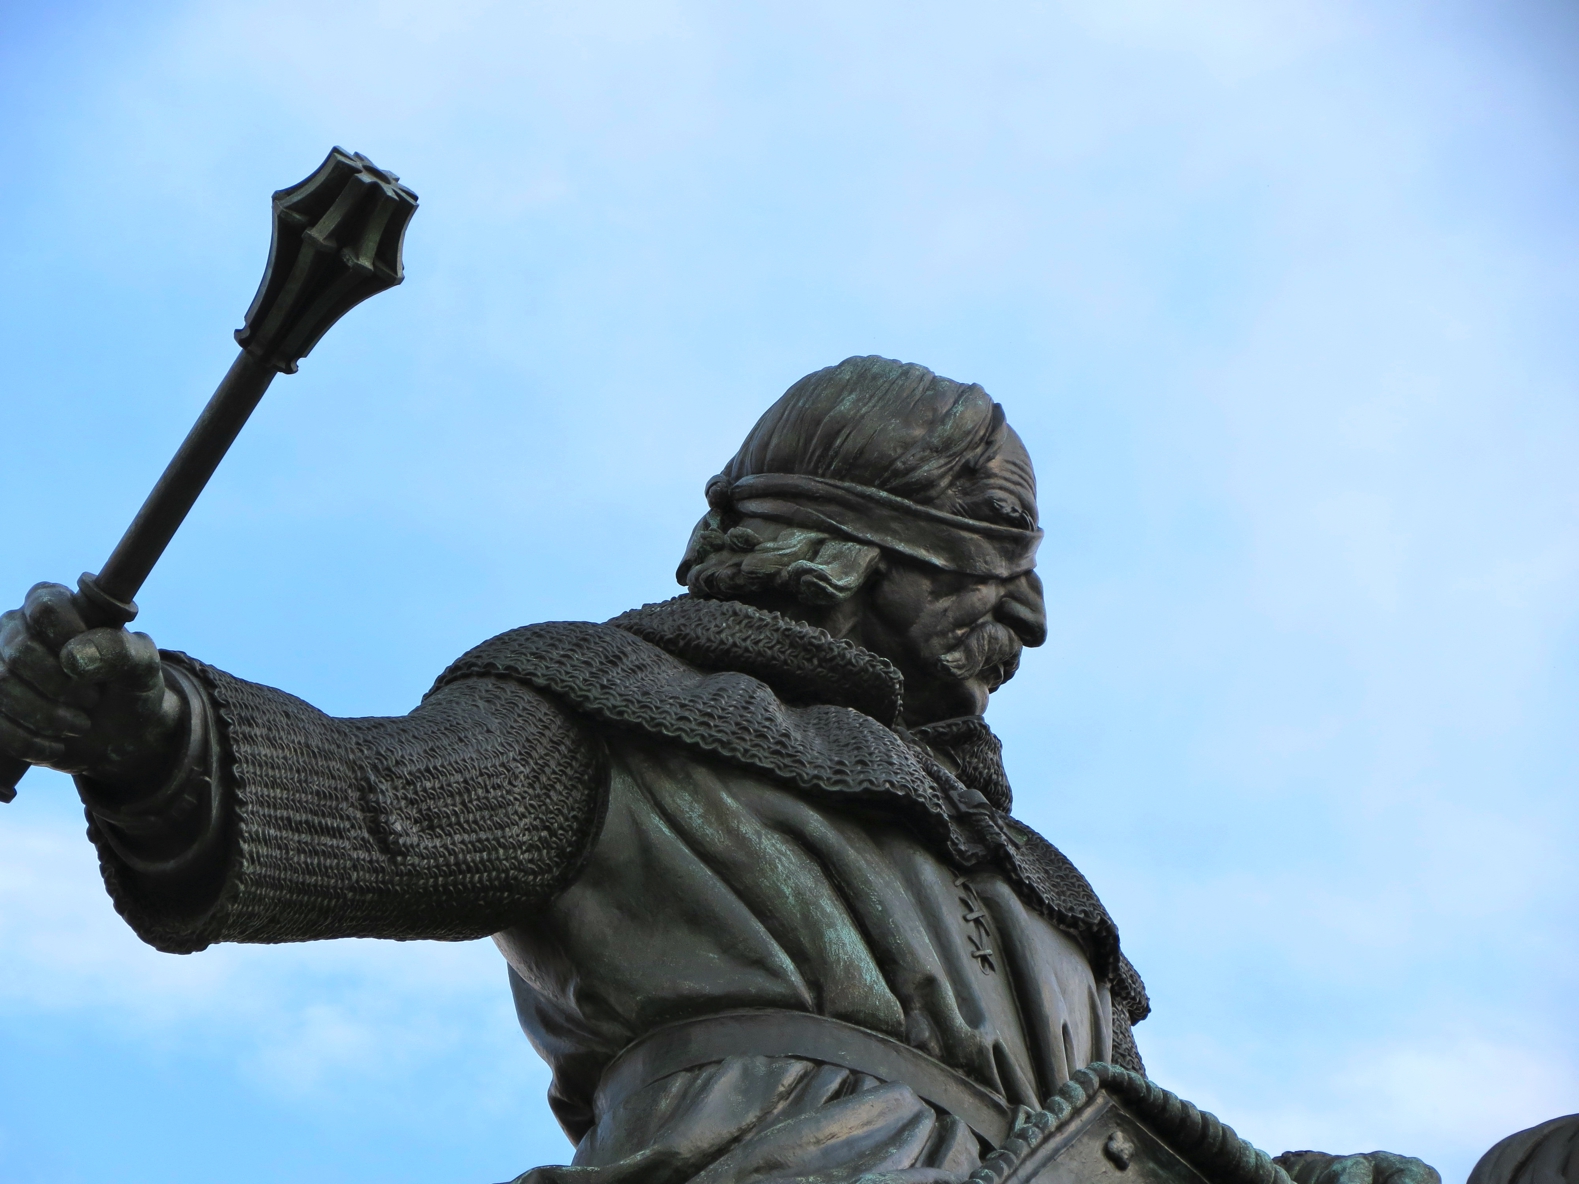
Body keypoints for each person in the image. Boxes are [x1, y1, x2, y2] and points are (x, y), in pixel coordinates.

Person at [0, 356, 1437, 1184]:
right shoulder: (618, 708)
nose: (1034, 613)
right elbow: (375, 809)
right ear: (847, 522)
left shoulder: (1050, 905)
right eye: (1000, 535)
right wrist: (156, 733)